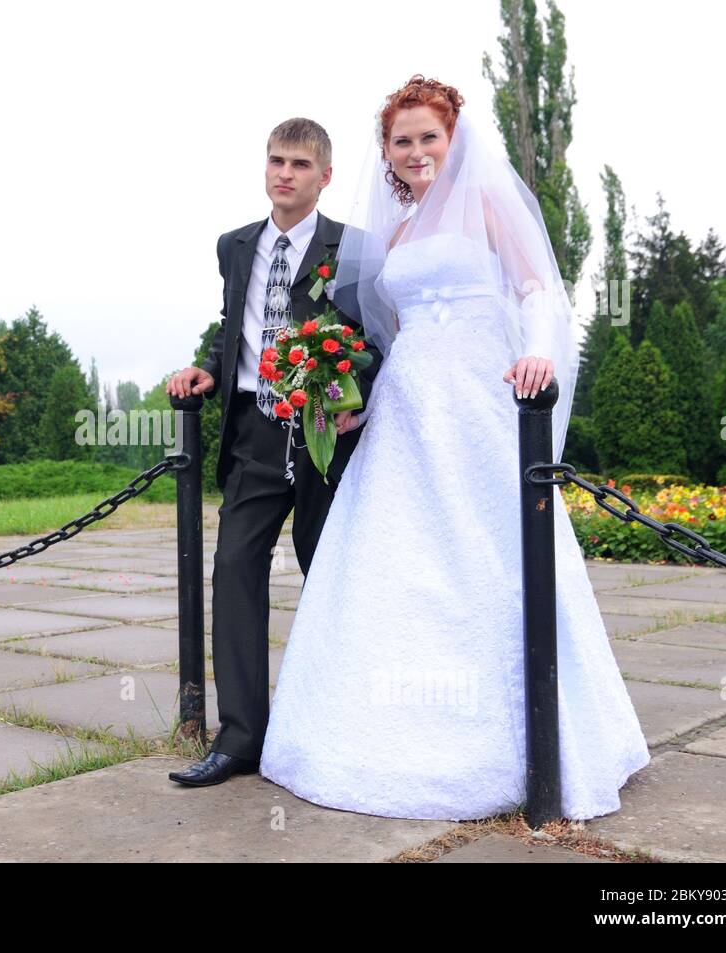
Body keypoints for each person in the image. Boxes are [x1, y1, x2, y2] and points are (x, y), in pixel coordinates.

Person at [257, 76, 651, 821]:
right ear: (386, 152)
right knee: (393, 557)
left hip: (478, 397)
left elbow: (538, 290)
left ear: (453, 138)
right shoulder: (394, 238)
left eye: (427, 137)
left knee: (494, 552)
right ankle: (370, 736)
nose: (414, 152)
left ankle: (524, 744)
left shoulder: (488, 203)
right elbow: (386, 336)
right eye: (400, 141)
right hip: (407, 409)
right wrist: (347, 403)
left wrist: (537, 354)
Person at [165, 118, 384, 786]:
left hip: (325, 438)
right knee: (233, 568)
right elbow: (234, 324)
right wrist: (207, 367)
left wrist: (352, 391)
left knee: (329, 576)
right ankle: (239, 739)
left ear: (324, 176)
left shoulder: (353, 249)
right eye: (275, 161)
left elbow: (374, 339)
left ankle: (342, 727)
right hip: (257, 432)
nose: (283, 173)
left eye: (298, 164)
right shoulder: (235, 246)